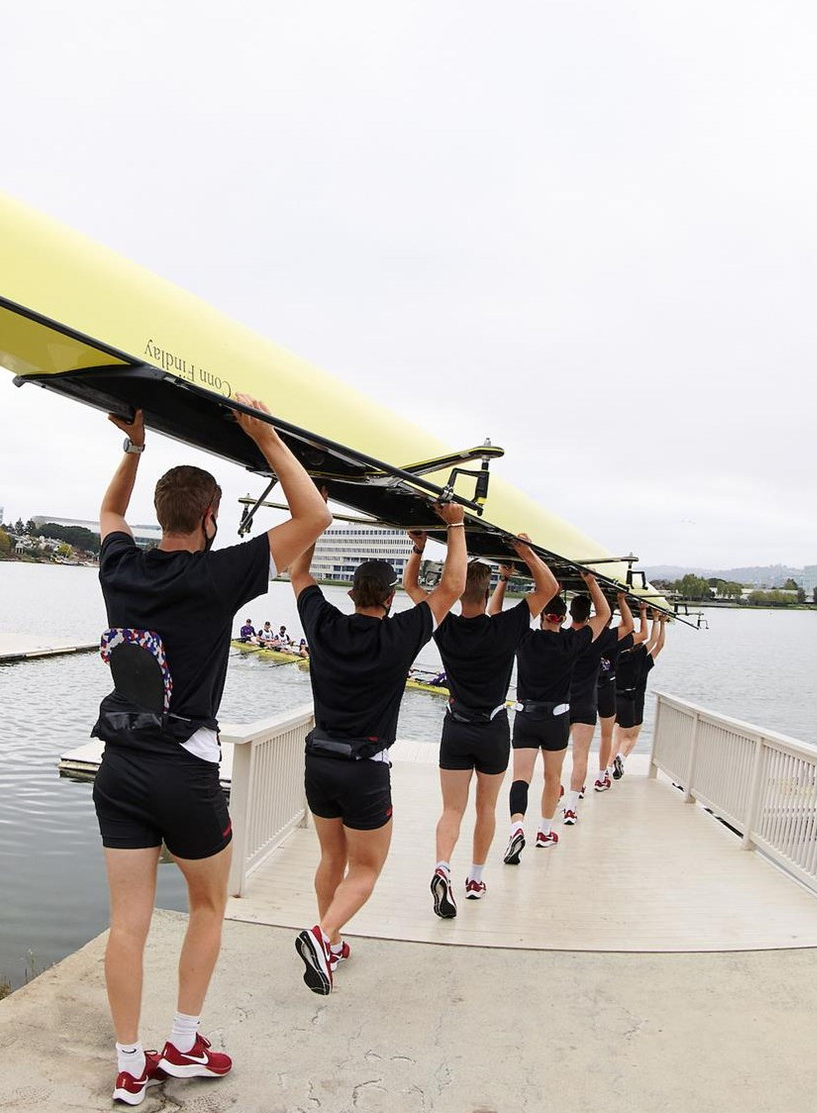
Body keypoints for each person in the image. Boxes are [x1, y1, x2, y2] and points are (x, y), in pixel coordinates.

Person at [89, 399, 330, 1105]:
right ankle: (184, 1040)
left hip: (120, 767)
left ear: (162, 515)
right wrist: (266, 436)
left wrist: (133, 449)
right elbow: (313, 515)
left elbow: (108, 514)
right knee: (207, 905)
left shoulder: (121, 569)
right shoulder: (218, 574)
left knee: (126, 921)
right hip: (185, 775)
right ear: (208, 516)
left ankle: (130, 1062)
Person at [289, 502, 467, 993]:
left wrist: (314, 512)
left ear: (350, 594)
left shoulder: (323, 623)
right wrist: (454, 524)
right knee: (366, 868)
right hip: (365, 768)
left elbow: (298, 571)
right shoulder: (400, 634)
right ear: (389, 598)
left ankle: (333, 941)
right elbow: (451, 587)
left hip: (319, 760)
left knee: (331, 857)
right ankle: (323, 936)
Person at [422, 532, 558, 916]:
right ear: (486, 595)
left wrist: (419, 548)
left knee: (452, 810)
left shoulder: (443, 627)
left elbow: (412, 586)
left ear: (461, 590)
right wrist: (525, 552)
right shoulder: (507, 627)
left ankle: (441, 867)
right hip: (494, 728)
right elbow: (549, 587)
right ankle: (476, 877)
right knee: (486, 808)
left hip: (456, 726)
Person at [504, 571, 604, 861]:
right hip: (556, 719)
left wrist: (504, 581)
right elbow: (604, 615)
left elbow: (495, 612)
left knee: (520, 778)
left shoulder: (524, 639)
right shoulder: (571, 643)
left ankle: (517, 825)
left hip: (525, 715)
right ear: (561, 618)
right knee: (552, 777)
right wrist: (590, 582)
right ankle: (545, 832)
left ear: (542, 616)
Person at [560, 589, 615, 822]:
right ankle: (571, 807)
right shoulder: (596, 638)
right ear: (588, 615)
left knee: (556, 757)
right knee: (580, 756)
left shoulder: (560, 638)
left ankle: (555, 791)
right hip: (585, 705)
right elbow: (613, 619)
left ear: (570, 614)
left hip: (561, 703)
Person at [610, 605, 665, 778]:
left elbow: (622, 632)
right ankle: (621, 758)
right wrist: (660, 622)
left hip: (613, 697)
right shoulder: (641, 659)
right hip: (634, 699)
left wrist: (630, 615)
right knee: (631, 737)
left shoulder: (618, 655)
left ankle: (607, 769)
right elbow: (658, 643)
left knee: (617, 737)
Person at [593, 591, 637, 791]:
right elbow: (634, 629)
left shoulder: (583, 633)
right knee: (606, 735)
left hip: (583, 690)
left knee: (576, 741)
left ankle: (561, 784)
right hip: (607, 689)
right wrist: (622, 600)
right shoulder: (612, 638)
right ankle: (602, 775)